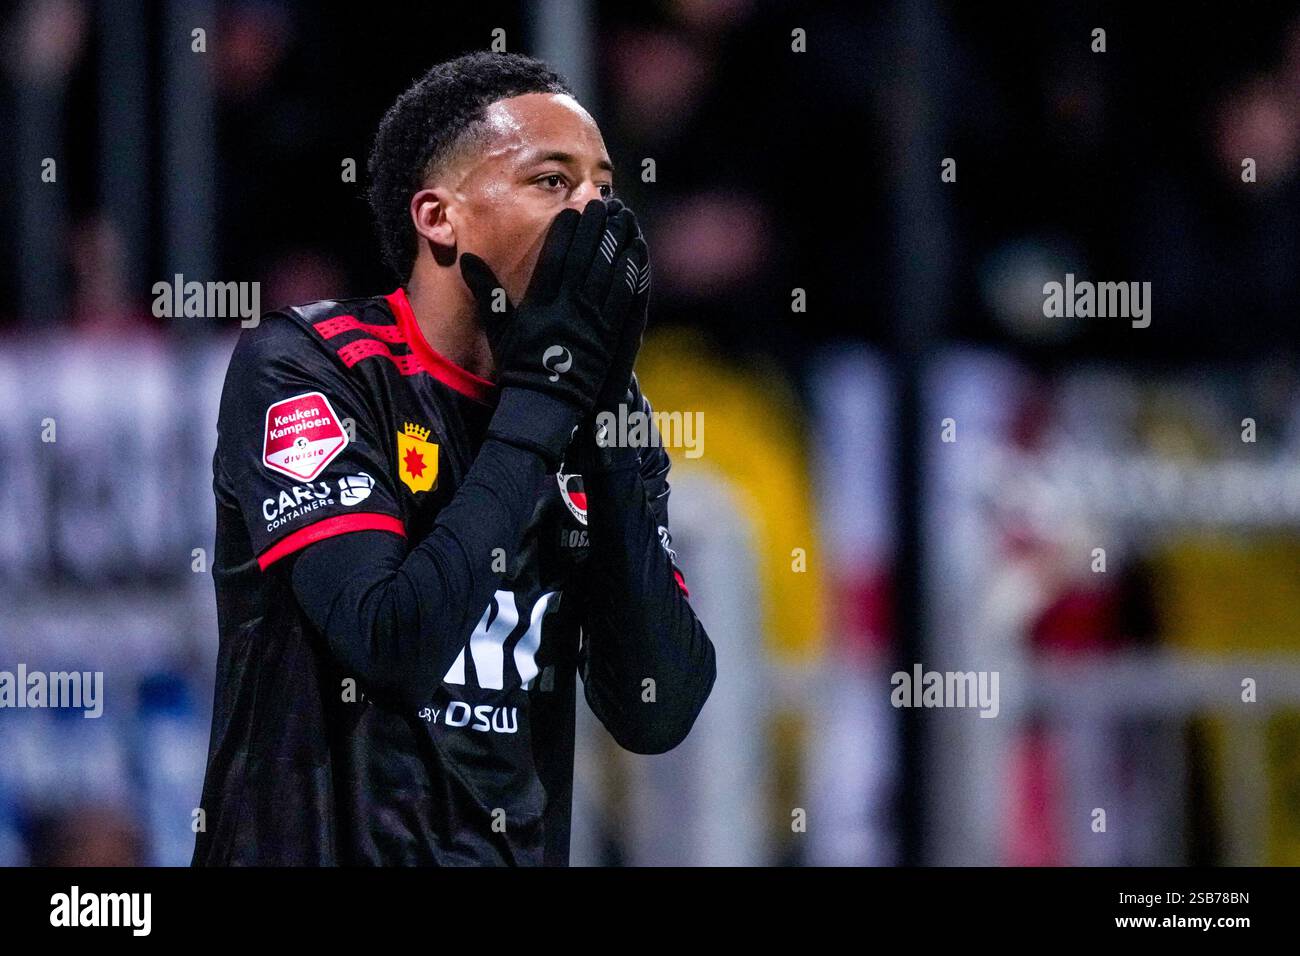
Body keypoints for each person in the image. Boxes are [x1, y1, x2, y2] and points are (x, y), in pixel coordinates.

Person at [192, 51, 716, 865]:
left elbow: (659, 709)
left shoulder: (601, 415)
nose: (595, 214)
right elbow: (388, 641)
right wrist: (544, 408)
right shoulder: (311, 367)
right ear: (440, 217)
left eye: (603, 188)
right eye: (552, 181)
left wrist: (601, 406)